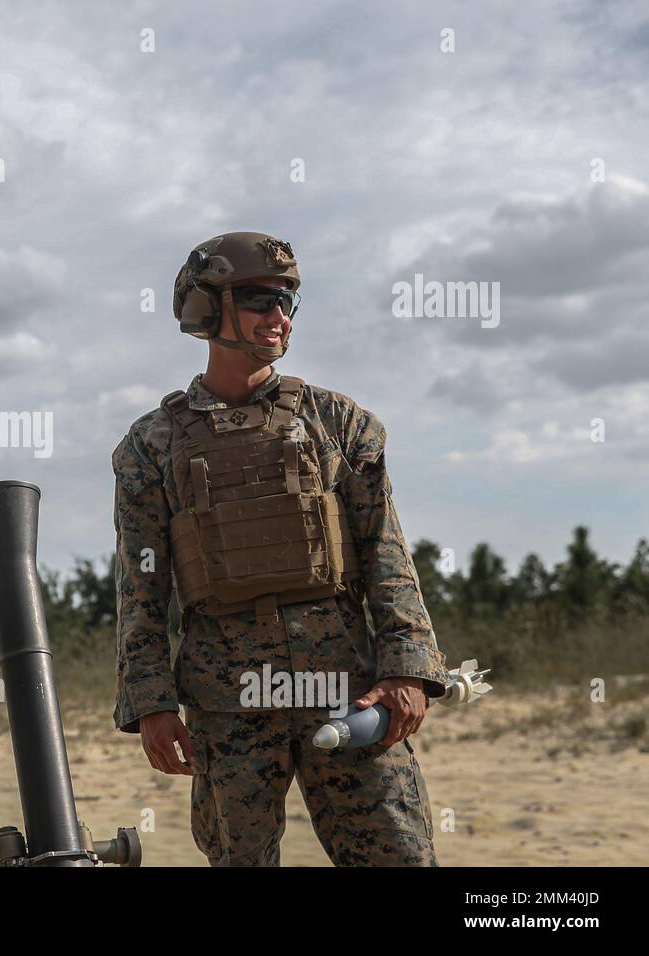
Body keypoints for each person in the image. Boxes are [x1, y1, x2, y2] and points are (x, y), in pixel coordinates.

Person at [111, 231, 449, 866]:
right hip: (228, 699)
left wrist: (408, 667)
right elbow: (141, 586)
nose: (279, 316)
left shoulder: (338, 423)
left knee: (399, 857)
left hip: (346, 685)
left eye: (288, 301)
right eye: (259, 299)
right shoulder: (151, 446)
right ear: (206, 309)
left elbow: (386, 553)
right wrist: (150, 702)